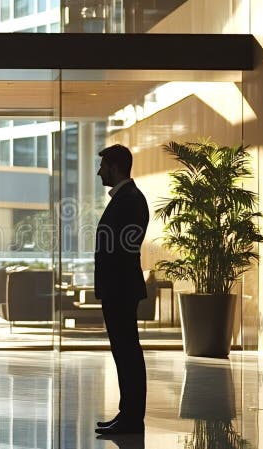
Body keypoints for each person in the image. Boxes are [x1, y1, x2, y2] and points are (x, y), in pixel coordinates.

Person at [93, 144, 149, 435]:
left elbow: (122, 250)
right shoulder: (127, 198)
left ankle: (130, 418)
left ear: (115, 167)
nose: (99, 171)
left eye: (103, 166)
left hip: (120, 290)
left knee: (127, 353)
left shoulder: (130, 199)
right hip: (119, 289)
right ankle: (127, 415)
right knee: (124, 352)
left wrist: (108, 284)